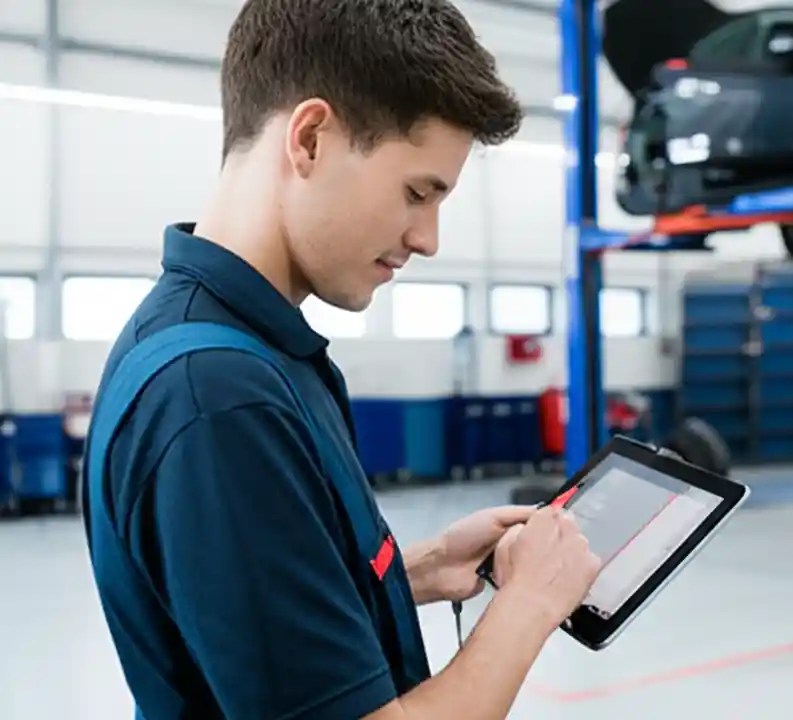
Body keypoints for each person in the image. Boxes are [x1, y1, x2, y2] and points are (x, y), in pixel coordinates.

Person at [81, 1, 602, 718]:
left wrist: (413, 570)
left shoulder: (216, 340)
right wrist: (530, 603)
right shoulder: (218, 394)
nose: (428, 239)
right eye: (418, 192)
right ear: (311, 139)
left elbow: (242, 617)